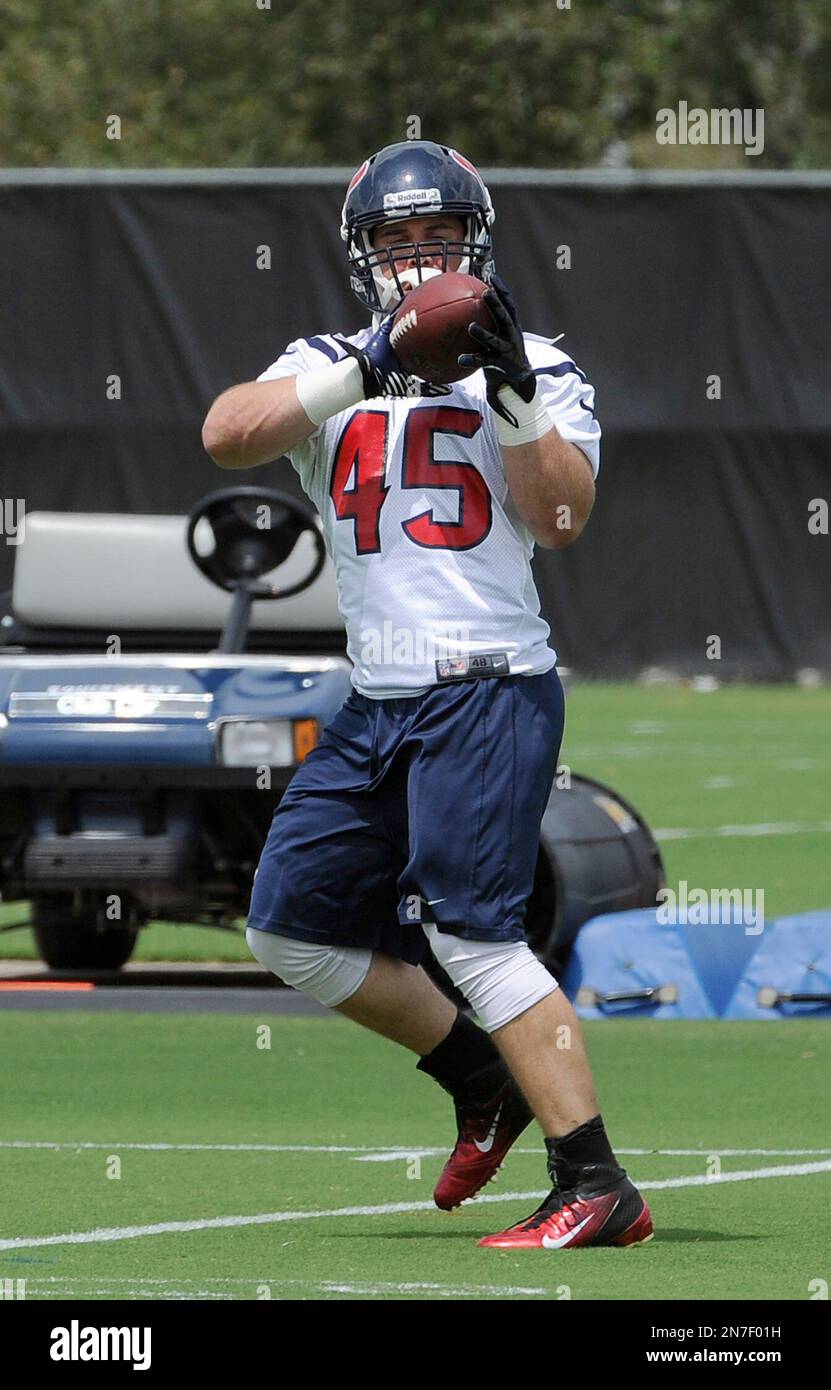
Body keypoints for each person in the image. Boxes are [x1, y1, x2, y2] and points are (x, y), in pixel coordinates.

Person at [202, 140, 652, 1249]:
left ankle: (595, 1182)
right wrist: (370, 364)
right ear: (364, 256)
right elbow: (225, 433)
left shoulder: (540, 359)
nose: (418, 257)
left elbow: (561, 518)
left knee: (473, 935)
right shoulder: (323, 358)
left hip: (486, 687)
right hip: (380, 696)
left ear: (476, 243)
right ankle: (480, 1075)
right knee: (288, 927)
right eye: (395, 241)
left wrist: (507, 392)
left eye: (437, 238)